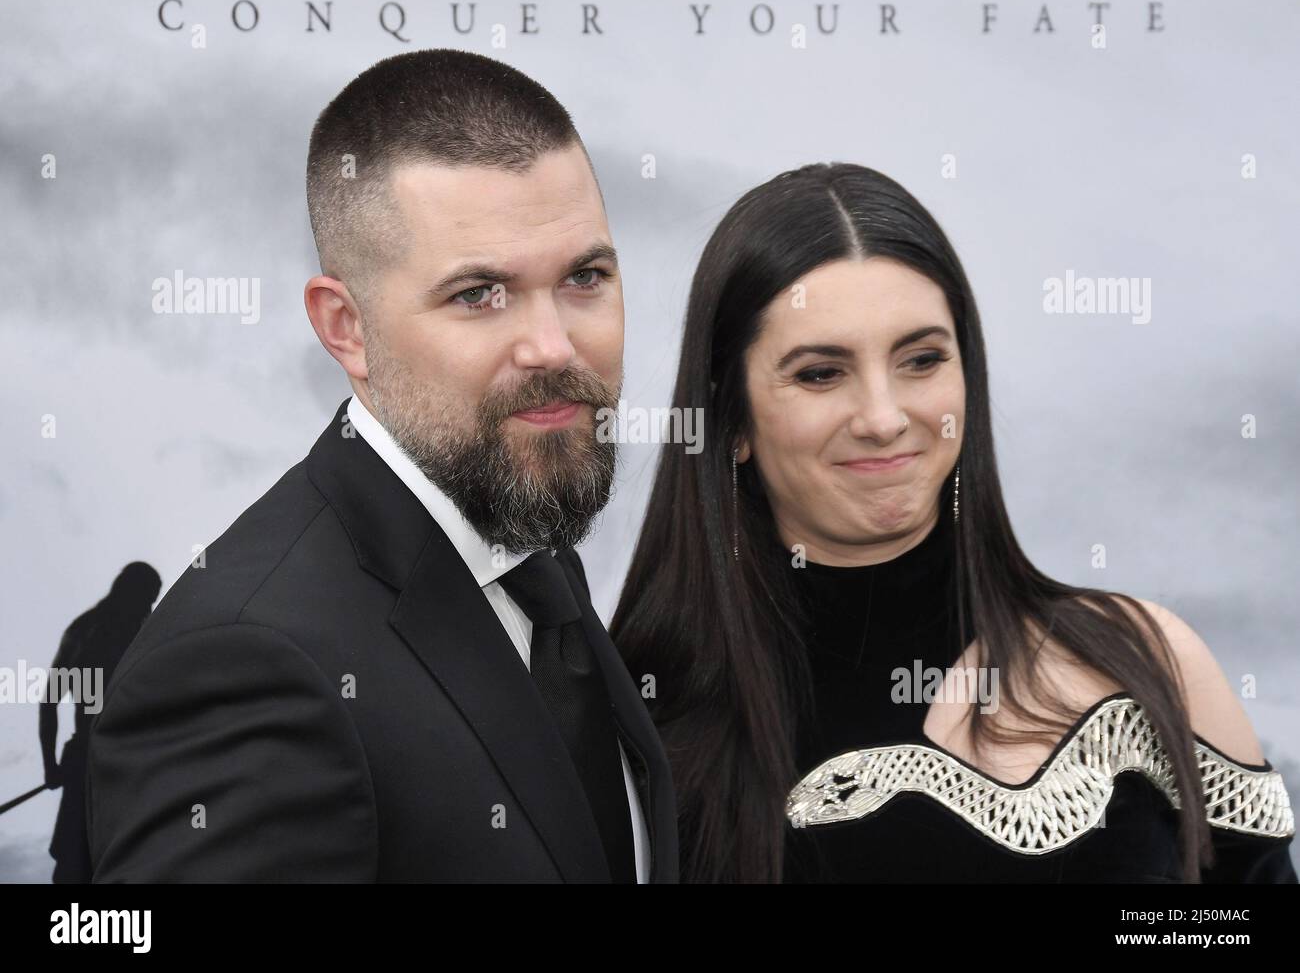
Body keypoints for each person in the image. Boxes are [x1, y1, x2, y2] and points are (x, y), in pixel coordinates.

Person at [610, 162, 1296, 883]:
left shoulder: (1141, 661)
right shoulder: (637, 715)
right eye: (821, 372)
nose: (882, 417)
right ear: (732, 420)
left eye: (921, 359)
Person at [86, 48, 677, 882]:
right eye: (479, 294)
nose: (554, 345)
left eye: (585, 276)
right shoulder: (250, 669)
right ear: (345, 327)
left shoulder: (528, 552)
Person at [41, 561, 161, 883]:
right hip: (108, 762)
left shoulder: (96, 630)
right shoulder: (133, 635)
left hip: (124, 762)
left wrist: (51, 765)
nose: (149, 607)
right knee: (80, 864)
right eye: (147, 599)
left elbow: (48, 704)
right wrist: (51, 766)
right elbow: (49, 702)